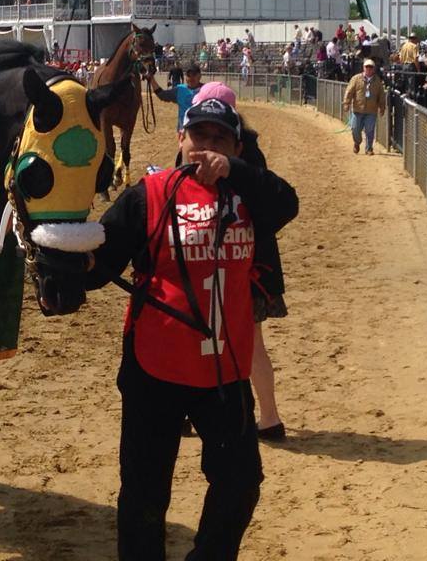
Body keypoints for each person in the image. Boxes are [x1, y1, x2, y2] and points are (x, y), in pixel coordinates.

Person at [86, 97, 299, 561]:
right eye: (198, 135)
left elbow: (288, 202)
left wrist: (235, 172)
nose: (207, 146)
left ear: (236, 147)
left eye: (219, 138)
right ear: (180, 140)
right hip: (153, 368)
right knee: (144, 495)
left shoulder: (248, 198)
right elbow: (101, 262)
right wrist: (65, 264)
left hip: (224, 372)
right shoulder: (149, 193)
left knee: (241, 483)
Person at [187, 82, 288, 439]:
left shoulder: (235, 161)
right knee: (249, 342)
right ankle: (270, 416)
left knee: (234, 340)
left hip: (236, 266)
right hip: (248, 263)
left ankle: (265, 414)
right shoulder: (251, 154)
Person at [343, 58, 386, 155]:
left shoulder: (377, 81)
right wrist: (346, 103)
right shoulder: (356, 79)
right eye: (367, 67)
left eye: (371, 67)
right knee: (355, 129)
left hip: (371, 111)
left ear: (374, 69)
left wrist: (382, 107)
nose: (369, 69)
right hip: (358, 110)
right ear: (363, 68)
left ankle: (369, 148)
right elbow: (349, 92)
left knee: (370, 130)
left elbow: (381, 95)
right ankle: (357, 143)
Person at [154, 62, 203, 130]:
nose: (191, 78)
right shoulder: (180, 90)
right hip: (184, 132)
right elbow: (162, 95)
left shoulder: (207, 90)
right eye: (188, 75)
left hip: (201, 131)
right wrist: (151, 79)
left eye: (194, 75)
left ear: (199, 76)